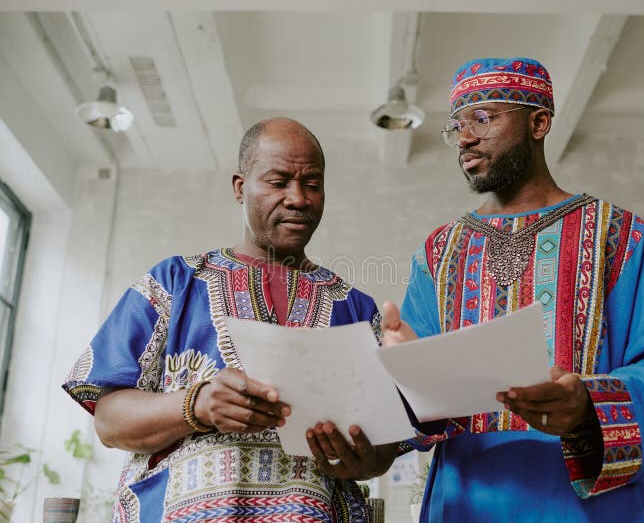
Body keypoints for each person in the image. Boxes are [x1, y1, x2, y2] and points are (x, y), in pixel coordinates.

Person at [381, 57, 644, 522]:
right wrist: (406, 372)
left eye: (483, 118)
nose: (465, 137)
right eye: (457, 125)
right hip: (470, 500)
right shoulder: (440, 251)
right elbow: (414, 411)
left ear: (539, 122)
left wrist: (587, 404)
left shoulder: (618, 234)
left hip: (593, 507)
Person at [63, 118, 396, 522]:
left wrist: (357, 460)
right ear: (241, 187)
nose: (298, 198)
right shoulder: (174, 282)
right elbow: (110, 421)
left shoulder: (356, 309)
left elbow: (382, 451)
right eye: (278, 181)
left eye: (312, 183)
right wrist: (194, 405)